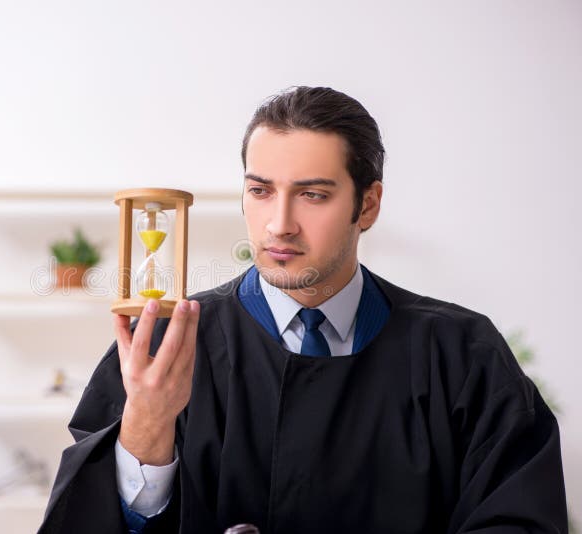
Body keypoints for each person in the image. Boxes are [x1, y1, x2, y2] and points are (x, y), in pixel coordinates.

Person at [37, 86, 568, 533]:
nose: (279, 224)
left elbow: (516, 518)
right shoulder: (168, 345)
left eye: (313, 195)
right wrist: (146, 435)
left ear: (368, 204)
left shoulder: (462, 355)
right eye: (261, 191)